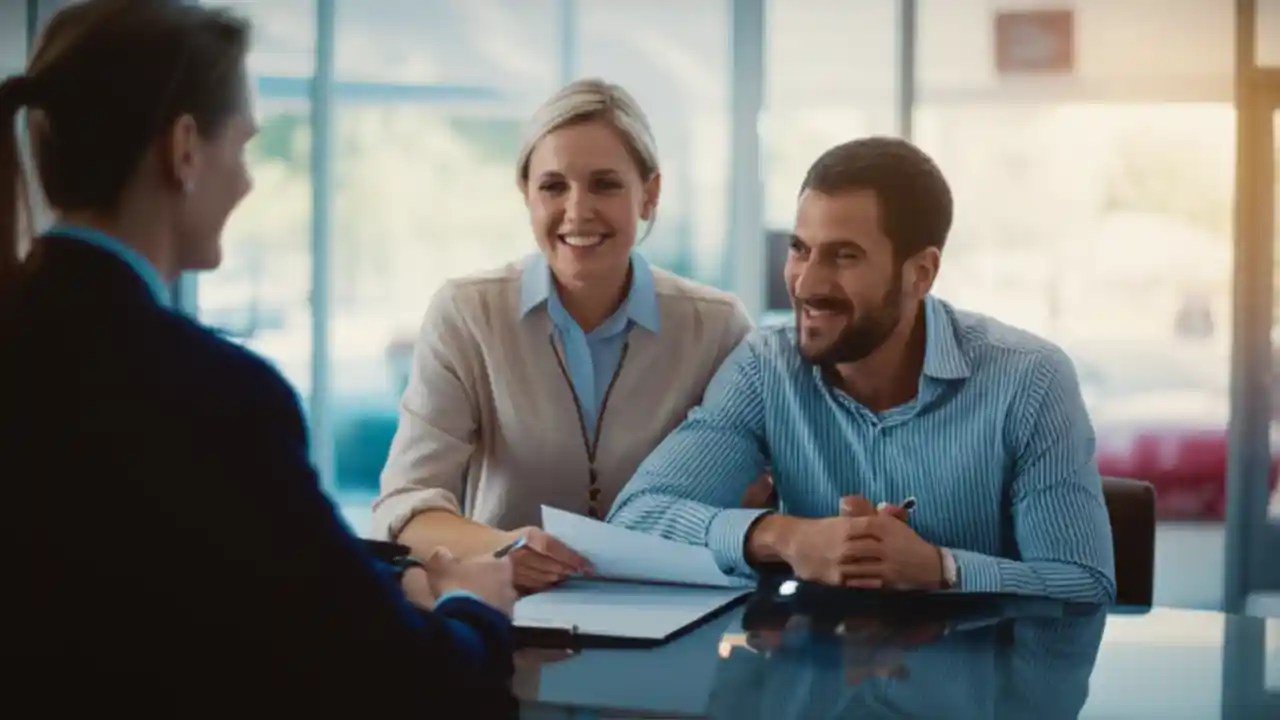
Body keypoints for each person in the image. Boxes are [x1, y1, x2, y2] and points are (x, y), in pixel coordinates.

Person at [0, 0, 516, 708]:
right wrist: (475, 609)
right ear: (184, 150)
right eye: (241, 146)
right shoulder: (214, 397)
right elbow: (408, 683)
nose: (245, 180)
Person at [608, 137, 1116, 604]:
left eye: (844, 256)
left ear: (921, 273)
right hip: (817, 690)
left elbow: (1083, 583)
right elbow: (635, 519)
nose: (807, 283)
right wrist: (787, 537)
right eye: (800, 249)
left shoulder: (1030, 379)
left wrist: (940, 568)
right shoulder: (766, 368)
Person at [374, 78, 754, 594]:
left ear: (650, 194)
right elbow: (405, 505)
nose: (578, 211)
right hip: (509, 620)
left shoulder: (716, 326)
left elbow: (753, 498)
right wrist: (499, 546)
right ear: (526, 195)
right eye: (553, 186)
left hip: (675, 619)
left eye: (605, 184)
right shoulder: (467, 313)